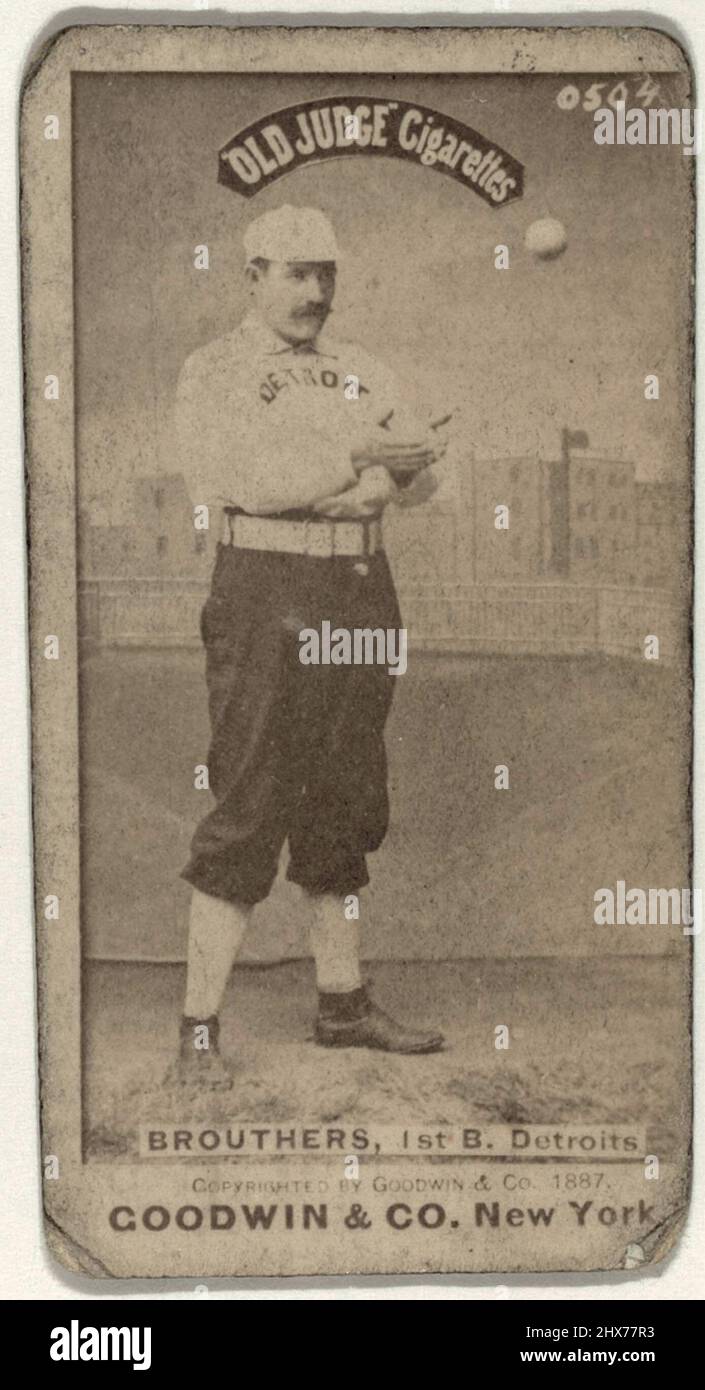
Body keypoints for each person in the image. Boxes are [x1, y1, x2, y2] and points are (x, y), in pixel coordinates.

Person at [172, 204, 448, 1088]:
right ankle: (199, 1032)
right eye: (296, 273)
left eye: (326, 274)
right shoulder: (214, 369)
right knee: (250, 797)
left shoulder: (363, 366)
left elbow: (426, 478)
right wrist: (353, 455)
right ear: (252, 276)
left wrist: (390, 479)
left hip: (357, 587)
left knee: (343, 794)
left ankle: (342, 1005)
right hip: (265, 588)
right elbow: (238, 478)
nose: (315, 291)